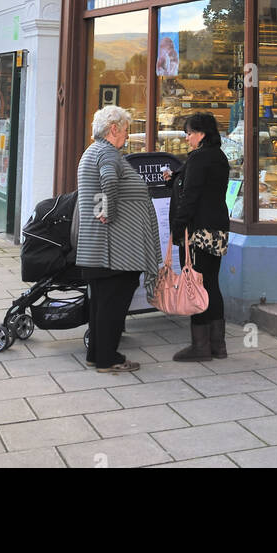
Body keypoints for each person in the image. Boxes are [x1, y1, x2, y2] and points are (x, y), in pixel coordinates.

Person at [76, 104, 161, 372]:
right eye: (125, 130)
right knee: (113, 306)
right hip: (114, 251)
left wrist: (103, 209)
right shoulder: (108, 153)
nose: (127, 135)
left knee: (101, 305)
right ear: (113, 129)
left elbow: (102, 186)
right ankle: (108, 359)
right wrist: (107, 211)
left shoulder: (94, 151)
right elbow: (108, 182)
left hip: (100, 248)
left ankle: (96, 355)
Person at [163, 111, 230, 362]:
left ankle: (200, 347)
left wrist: (178, 229)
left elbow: (191, 197)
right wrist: (176, 181)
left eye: (189, 133)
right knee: (211, 284)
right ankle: (218, 346)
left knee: (195, 285)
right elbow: (202, 188)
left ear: (201, 134)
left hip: (197, 232)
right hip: (217, 230)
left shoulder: (199, 159)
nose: (187, 138)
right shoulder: (218, 157)